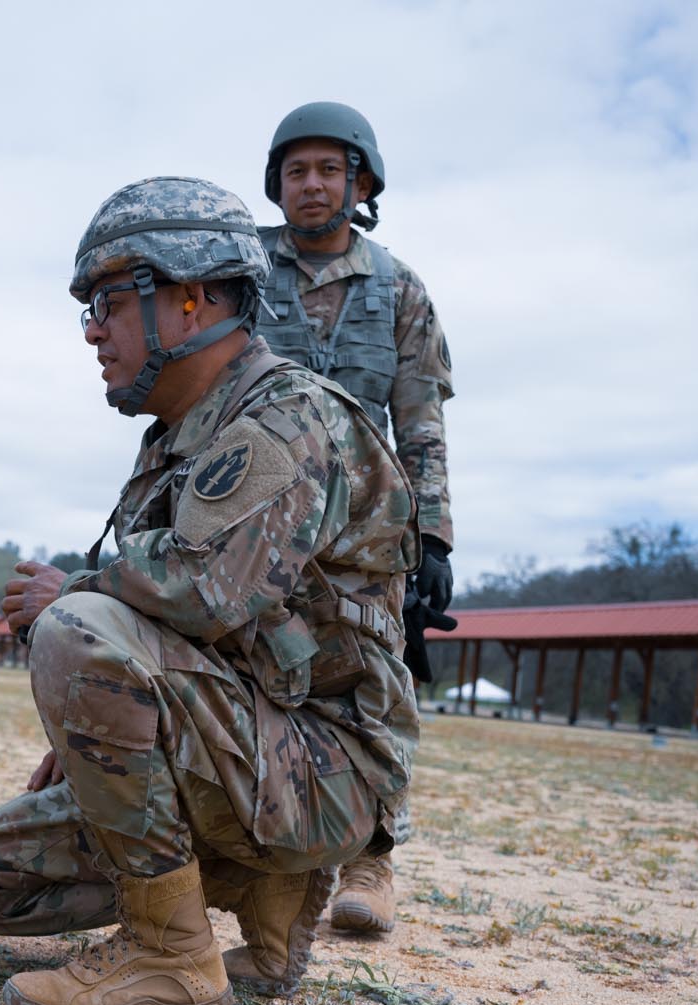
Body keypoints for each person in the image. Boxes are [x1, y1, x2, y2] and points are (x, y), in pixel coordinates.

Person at [0, 178, 419, 1005]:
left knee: (75, 626)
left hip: (324, 771)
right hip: (252, 747)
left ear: (191, 300)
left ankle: (172, 954)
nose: (91, 329)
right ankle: (266, 899)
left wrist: (71, 609)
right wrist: (99, 738)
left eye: (109, 301)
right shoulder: (181, 436)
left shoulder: (284, 421)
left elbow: (203, 590)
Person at [255, 100, 455, 935]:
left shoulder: (399, 289)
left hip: (364, 525)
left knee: (376, 682)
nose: (312, 184)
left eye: (329, 169)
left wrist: (434, 534)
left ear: (360, 181)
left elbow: (421, 417)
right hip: (257, 512)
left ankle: (371, 857)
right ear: (278, 185)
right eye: (297, 170)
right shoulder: (238, 268)